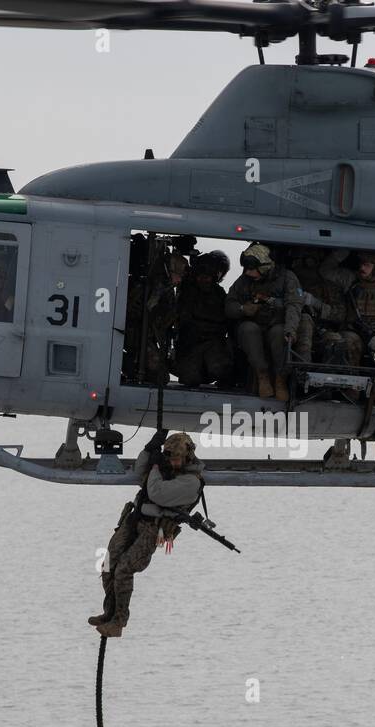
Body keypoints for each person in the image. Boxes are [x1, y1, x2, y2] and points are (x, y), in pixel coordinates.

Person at [89, 432, 204, 638]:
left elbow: (156, 492)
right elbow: (139, 472)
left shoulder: (190, 482)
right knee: (108, 564)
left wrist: (156, 467)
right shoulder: (165, 469)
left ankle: (119, 621)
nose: (173, 462)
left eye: (176, 458)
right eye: (169, 458)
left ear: (187, 457)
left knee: (125, 569)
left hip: (154, 529)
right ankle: (110, 611)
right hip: (135, 520)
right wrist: (149, 450)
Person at [320, 248, 375, 404]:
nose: (362, 268)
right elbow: (325, 271)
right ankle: (352, 387)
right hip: (354, 330)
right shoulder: (351, 279)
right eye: (361, 264)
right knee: (347, 341)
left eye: (367, 265)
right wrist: (341, 250)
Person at [225, 243, 307, 402]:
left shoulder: (287, 278)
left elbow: (294, 305)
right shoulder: (244, 281)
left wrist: (291, 329)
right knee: (248, 329)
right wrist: (242, 309)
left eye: (252, 268)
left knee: (279, 333)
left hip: (277, 325)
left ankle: (280, 380)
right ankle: (262, 376)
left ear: (264, 266)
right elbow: (229, 305)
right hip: (254, 326)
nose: (248, 272)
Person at [175, 251, 234, 387]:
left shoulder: (219, 294)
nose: (204, 280)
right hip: (190, 344)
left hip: (213, 343)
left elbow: (228, 320)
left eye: (207, 277)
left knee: (220, 370)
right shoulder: (187, 290)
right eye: (201, 276)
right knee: (190, 379)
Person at [141, 253, 190, 385]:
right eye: (179, 275)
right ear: (171, 270)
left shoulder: (168, 288)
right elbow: (150, 308)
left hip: (159, 337)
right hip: (144, 337)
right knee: (161, 376)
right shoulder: (160, 286)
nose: (179, 280)